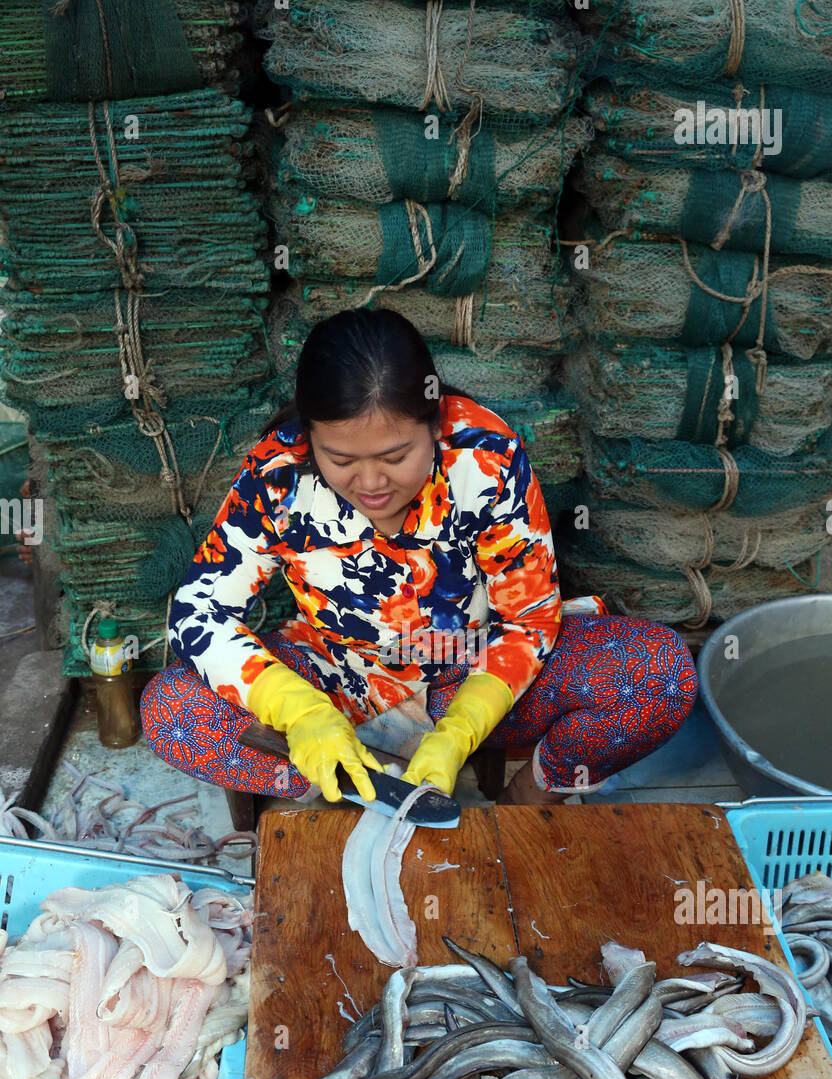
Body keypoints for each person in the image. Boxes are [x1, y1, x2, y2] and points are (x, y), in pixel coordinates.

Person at [141, 309, 697, 804]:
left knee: (659, 675)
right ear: (309, 438)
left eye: (395, 454)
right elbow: (198, 611)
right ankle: (344, 787)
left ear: (435, 422)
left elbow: (528, 620)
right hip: (336, 678)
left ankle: (522, 806)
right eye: (339, 459)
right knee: (172, 713)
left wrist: (459, 732)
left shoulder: (483, 455)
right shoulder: (277, 473)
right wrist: (301, 713)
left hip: (467, 667)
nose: (371, 482)